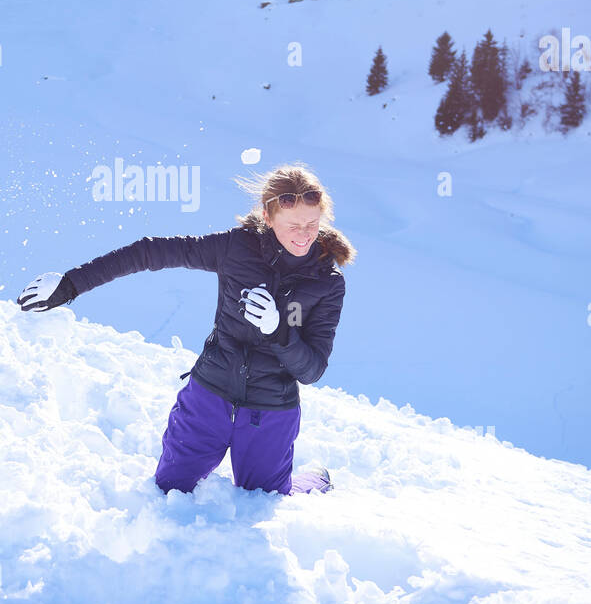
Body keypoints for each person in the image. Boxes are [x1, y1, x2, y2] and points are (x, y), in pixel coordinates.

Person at [18, 163, 355, 495]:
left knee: (265, 501)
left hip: (270, 411)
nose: (305, 234)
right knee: (169, 491)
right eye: (293, 224)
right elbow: (150, 251)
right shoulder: (236, 248)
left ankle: (313, 480)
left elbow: (311, 370)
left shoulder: (327, 283)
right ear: (268, 218)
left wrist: (278, 331)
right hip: (209, 395)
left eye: (313, 223)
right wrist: (72, 284)